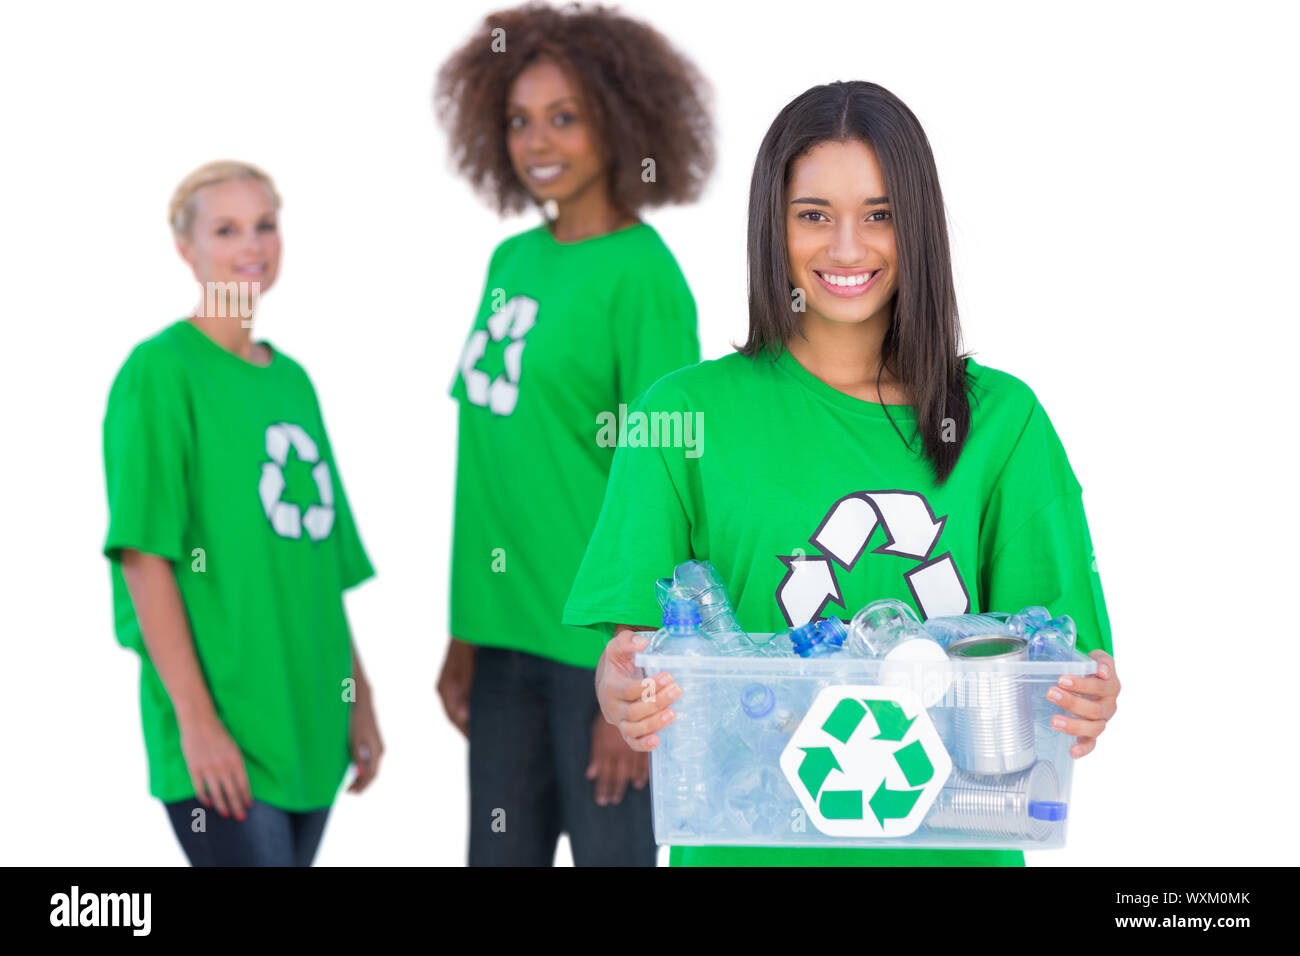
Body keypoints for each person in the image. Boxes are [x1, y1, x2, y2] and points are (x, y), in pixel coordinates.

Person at [566, 81, 1122, 867]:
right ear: (773, 224)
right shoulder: (683, 415)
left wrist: (1085, 698)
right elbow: (636, 654)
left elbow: (1060, 668)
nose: (847, 249)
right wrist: (620, 688)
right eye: (813, 214)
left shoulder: (1004, 421)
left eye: (880, 214)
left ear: (918, 225)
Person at [434, 2, 714, 865]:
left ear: (621, 122)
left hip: (596, 656)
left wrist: (636, 680)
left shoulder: (643, 278)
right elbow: (493, 467)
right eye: (519, 119)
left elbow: (672, 488)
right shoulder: (510, 262)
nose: (536, 140)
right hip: (503, 641)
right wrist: (463, 631)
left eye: (564, 116)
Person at [102, 160, 382, 866]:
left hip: (310, 720)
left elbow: (320, 562)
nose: (251, 245)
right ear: (185, 248)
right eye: (226, 229)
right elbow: (144, 555)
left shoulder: (292, 382)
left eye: (264, 225)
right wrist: (197, 722)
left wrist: (360, 693)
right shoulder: (160, 374)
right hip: (225, 729)